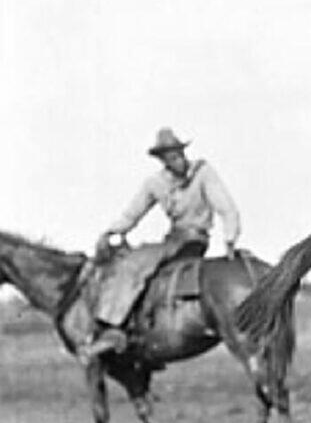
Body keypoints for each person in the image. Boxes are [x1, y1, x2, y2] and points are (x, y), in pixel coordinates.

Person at [82, 128, 241, 360]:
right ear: (163, 160)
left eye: (177, 154)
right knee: (129, 259)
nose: (176, 160)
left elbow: (226, 206)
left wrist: (229, 238)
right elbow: (131, 215)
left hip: (193, 240)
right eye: (169, 157)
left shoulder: (203, 173)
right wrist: (110, 232)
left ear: (183, 152)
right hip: (174, 238)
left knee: (133, 265)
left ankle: (112, 327)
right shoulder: (155, 183)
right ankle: (120, 323)